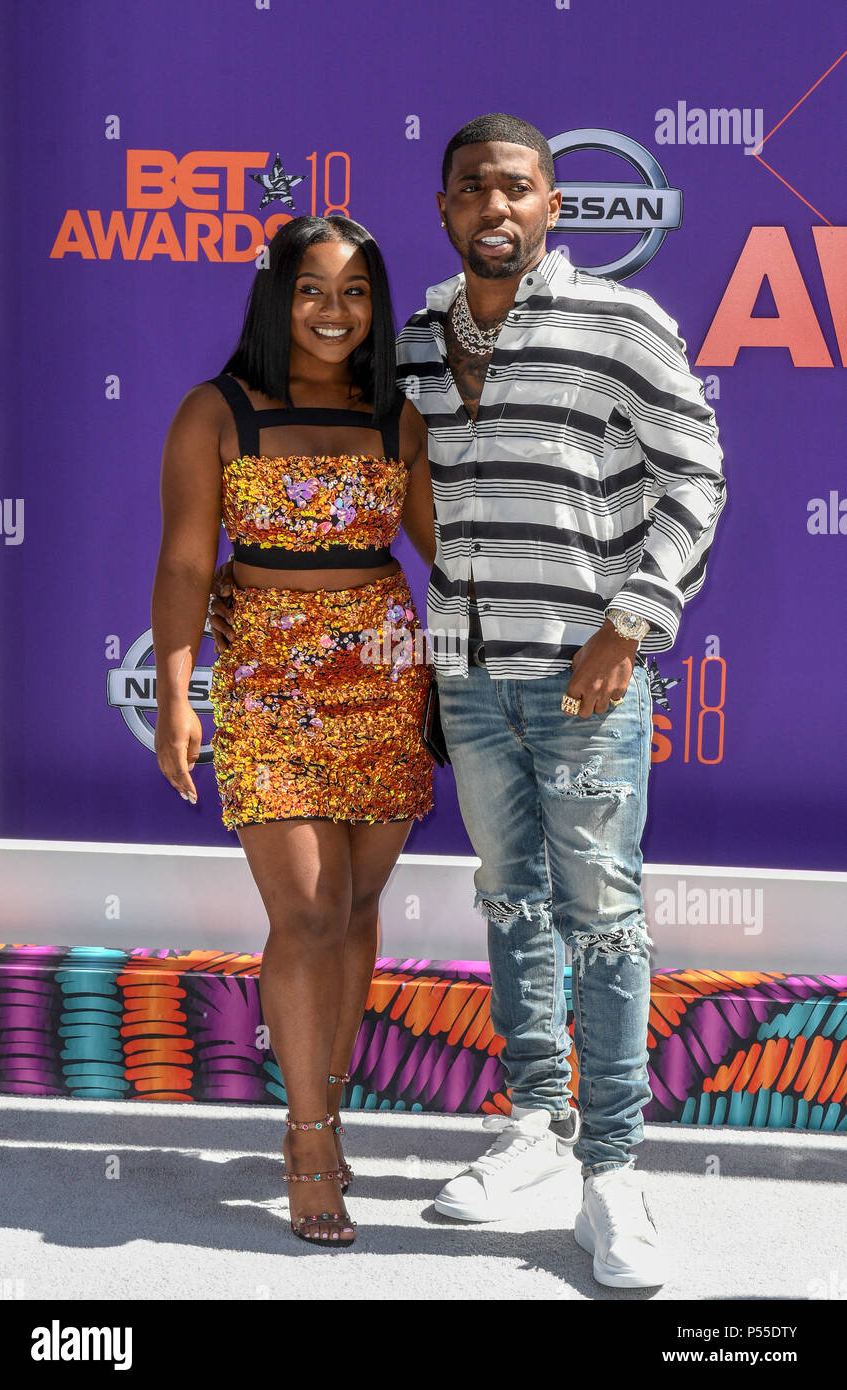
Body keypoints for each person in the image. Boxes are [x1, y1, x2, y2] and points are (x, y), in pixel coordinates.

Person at [210, 113, 727, 1289]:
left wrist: (631, 621)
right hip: (470, 681)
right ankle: (539, 1130)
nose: (493, 207)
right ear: (443, 210)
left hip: (585, 671)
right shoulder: (424, 338)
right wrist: (435, 663)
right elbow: (431, 530)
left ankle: (612, 1175)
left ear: (553, 203)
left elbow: (696, 471)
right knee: (511, 902)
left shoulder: (621, 320)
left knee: (600, 915)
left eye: (516, 187)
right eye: (469, 190)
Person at [151, 214, 437, 1248]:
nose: (332, 310)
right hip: (269, 683)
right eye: (311, 289)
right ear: (275, 298)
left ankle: (327, 1095)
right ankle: (309, 1139)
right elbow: (187, 565)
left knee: (358, 905)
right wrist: (178, 696)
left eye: (355, 292)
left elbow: (446, 553)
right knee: (308, 912)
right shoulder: (214, 411)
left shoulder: (396, 416)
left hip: (385, 678)